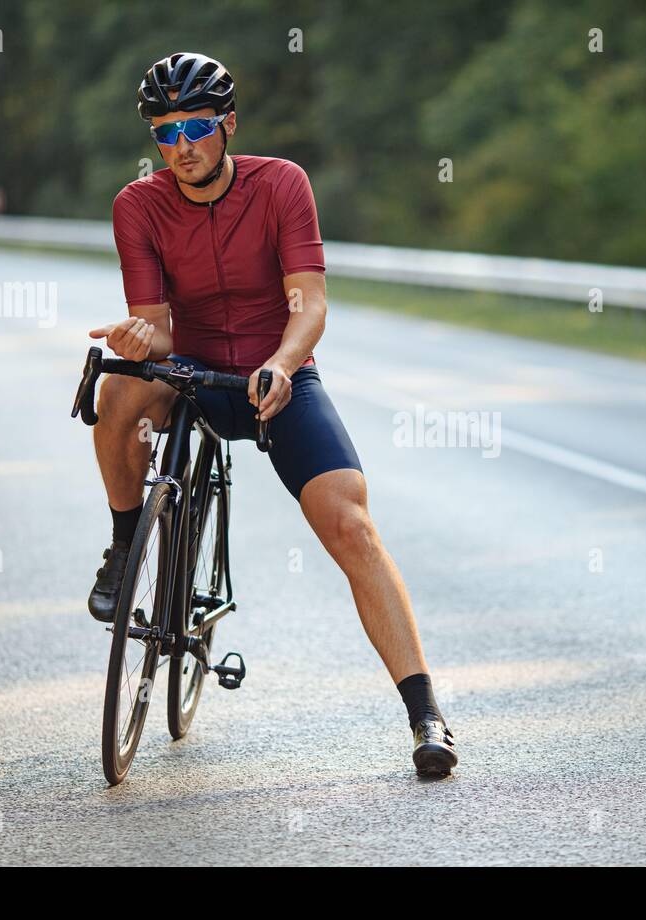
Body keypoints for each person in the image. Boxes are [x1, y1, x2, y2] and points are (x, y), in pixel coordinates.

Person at [86, 52, 456, 777]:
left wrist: (282, 365)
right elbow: (156, 325)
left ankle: (426, 716)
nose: (181, 145)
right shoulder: (138, 205)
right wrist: (138, 337)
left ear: (227, 124)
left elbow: (309, 302)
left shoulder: (282, 184)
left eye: (195, 126)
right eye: (165, 133)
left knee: (351, 523)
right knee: (119, 389)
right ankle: (127, 542)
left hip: (273, 375)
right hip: (188, 374)